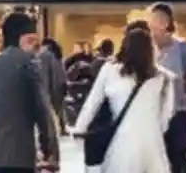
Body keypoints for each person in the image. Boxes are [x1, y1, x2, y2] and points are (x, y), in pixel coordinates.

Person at [72, 28, 174, 173]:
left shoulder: (110, 71)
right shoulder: (163, 78)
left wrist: (79, 130)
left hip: (121, 144)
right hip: (152, 145)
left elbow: (92, 104)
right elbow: (165, 118)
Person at [0, 10, 59, 172]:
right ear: (20, 39)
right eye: (31, 41)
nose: (34, 48)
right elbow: (43, 111)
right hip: (19, 155)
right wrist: (49, 150)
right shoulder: (29, 65)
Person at [147, 3, 186, 173]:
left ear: (167, 22)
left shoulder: (180, 46)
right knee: (155, 158)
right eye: (152, 19)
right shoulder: (146, 47)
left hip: (177, 110)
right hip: (152, 112)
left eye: (158, 19)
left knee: (177, 156)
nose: (154, 23)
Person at [37, 39, 67, 134]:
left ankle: (49, 130)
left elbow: (46, 73)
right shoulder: (55, 55)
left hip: (51, 84)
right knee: (59, 107)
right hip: (59, 84)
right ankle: (62, 127)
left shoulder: (44, 55)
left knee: (48, 109)